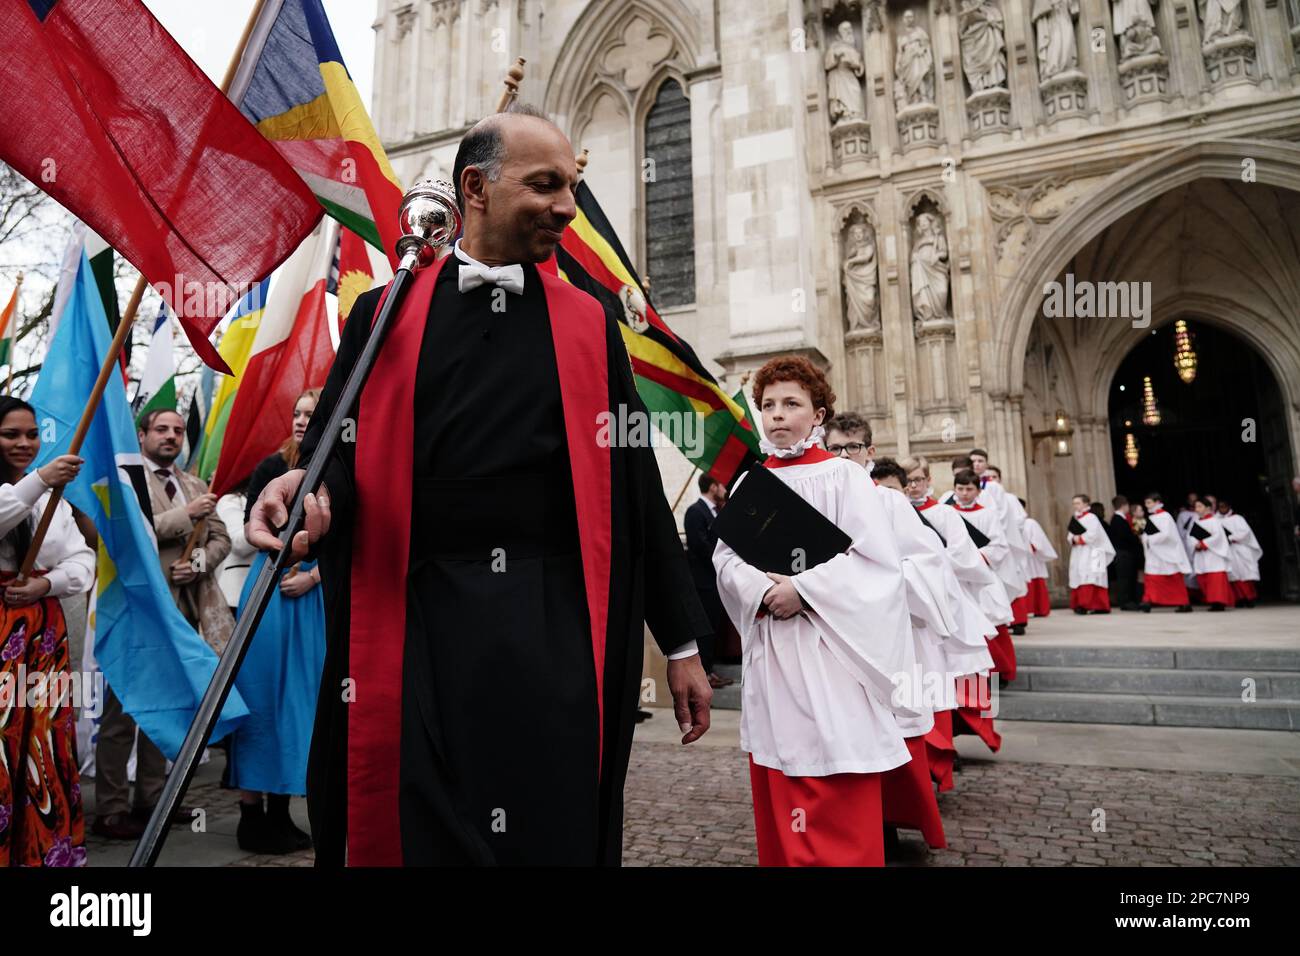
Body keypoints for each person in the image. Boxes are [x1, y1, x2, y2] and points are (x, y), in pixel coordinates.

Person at [247, 106, 713, 866]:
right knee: (419, 828)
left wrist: (684, 642)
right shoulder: (386, 310)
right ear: (476, 187)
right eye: (545, 185)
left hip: (555, 631)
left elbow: (633, 488)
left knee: (543, 833)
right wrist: (313, 492)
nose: (567, 205)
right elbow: (335, 447)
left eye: (571, 186)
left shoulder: (591, 320)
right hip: (416, 621)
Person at [713, 358, 915, 866]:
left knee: (833, 776)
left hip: (831, 651)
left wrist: (804, 590)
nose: (777, 415)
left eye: (791, 404)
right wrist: (758, 591)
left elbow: (876, 563)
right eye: (768, 406)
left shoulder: (845, 478)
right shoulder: (749, 483)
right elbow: (725, 559)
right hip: (775, 651)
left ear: (818, 414)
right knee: (783, 773)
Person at [93, 409, 232, 840]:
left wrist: (197, 562)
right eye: (162, 430)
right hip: (138, 609)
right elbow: (131, 534)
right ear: (143, 434)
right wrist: (186, 515)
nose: (171, 437)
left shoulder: (194, 482)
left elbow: (221, 538)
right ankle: (112, 807)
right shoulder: (127, 481)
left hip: (184, 612)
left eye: (176, 430)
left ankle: (153, 799)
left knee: (166, 707)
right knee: (123, 712)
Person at [825, 418, 955, 853]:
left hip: (886, 640)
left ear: (870, 451)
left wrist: (878, 579)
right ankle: (850, 826)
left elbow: (928, 563)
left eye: (852, 447)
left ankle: (889, 824)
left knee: (890, 733)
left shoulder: (891, 503)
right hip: (835, 642)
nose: (844, 456)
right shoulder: (818, 500)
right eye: (835, 448)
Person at [229, 389, 326, 855]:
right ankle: (251, 817)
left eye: (313, 414)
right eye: (298, 413)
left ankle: (280, 814)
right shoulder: (273, 469)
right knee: (260, 696)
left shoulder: (338, 471)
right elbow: (257, 533)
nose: (303, 421)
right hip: (268, 591)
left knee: (300, 702)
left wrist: (315, 576)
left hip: (311, 596)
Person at [0, 397, 95, 866]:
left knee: (44, 739)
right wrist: (39, 481)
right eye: (11, 434)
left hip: (42, 637)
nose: (24, 443)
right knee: (3, 739)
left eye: (31, 434)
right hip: (1, 636)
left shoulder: (55, 499)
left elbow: (83, 561)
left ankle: (41, 850)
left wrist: (46, 582)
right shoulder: (37, 488)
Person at [902, 456, 1004, 788]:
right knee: (926, 683)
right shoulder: (895, 511)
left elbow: (963, 555)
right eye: (908, 481)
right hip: (913, 607)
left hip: (948, 604)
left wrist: (930, 561)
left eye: (918, 479)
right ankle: (930, 747)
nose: (913, 486)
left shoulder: (943, 513)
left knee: (955, 679)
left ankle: (950, 744)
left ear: (928, 479)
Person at [946, 468, 1018, 682]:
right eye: (960, 489)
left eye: (969, 489)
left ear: (978, 491)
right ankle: (974, 675)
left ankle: (1002, 672)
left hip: (982, 577)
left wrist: (975, 557)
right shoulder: (946, 512)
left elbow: (999, 545)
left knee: (992, 622)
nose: (964, 493)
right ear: (954, 490)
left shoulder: (988, 513)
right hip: (957, 576)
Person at [969, 453, 1031, 634]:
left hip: (994, 538)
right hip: (976, 542)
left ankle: (1013, 620)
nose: (977, 464)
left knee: (1004, 579)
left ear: (987, 464)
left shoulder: (993, 487)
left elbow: (1001, 513)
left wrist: (989, 531)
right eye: (974, 461)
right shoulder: (967, 483)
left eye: (981, 461)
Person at [684, 474, 733, 689]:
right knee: (705, 629)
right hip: (703, 583)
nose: (724, 489)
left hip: (715, 582)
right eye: (722, 484)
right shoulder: (695, 512)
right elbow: (699, 546)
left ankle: (710, 670)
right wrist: (723, 560)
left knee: (714, 628)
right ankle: (704, 673)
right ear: (713, 487)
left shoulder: (717, 512)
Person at [1139, 492, 1193, 612]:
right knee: (1151, 577)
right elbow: (1147, 534)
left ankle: (1183, 603)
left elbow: (1167, 534)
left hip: (1166, 551)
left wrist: (1150, 539)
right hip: (1154, 553)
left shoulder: (1165, 516)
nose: (1147, 505)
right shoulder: (1152, 517)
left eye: (1149, 502)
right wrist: (1145, 538)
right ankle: (1147, 601)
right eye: (1146, 503)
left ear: (1157, 502)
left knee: (1173, 577)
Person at [1067, 493, 1115, 614]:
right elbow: (1070, 535)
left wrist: (1080, 538)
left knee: (1094, 577)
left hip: (1094, 552)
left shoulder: (1091, 517)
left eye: (1078, 503)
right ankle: (1081, 604)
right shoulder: (1076, 518)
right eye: (1074, 503)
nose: (1075, 506)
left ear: (1086, 504)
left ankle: (1096, 605)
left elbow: (1094, 534)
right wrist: (1073, 539)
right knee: (1081, 575)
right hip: (1080, 551)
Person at [1190, 497, 1235, 611]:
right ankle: (1212, 601)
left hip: (1214, 554)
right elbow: (1190, 537)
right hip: (1201, 555)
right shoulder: (1196, 522)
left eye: (1200, 506)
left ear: (1208, 508)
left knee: (1215, 579)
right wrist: (1195, 544)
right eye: (1196, 507)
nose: (1197, 509)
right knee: (1203, 578)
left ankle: (1219, 603)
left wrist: (1204, 543)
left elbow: (1218, 537)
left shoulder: (1214, 521)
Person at [1217, 499, 1261, 607]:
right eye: (1220, 506)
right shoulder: (1216, 519)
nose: (1222, 508)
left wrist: (1231, 537)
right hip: (1228, 550)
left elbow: (1245, 532)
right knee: (1233, 575)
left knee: (1245, 574)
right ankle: (1239, 599)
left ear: (1229, 506)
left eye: (1224, 506)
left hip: (1240, 548)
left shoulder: (1237, 518)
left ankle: (1250, 598)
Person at [1108, 495, 1143, 611]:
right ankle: (1125, 601)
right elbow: (1125, 537)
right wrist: (1136, 538)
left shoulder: (1120, 519)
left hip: (1125, 553)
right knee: (1124, 578)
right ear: (1124, 506)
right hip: (1123, 554)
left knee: (1128, 577)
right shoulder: (1118, 520)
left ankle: (1129, 600)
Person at [1021, 506, 1058, 617]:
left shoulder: (1030, 523)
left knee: (1034, 581)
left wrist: (1026, 548)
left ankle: (1038, 609)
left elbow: (1038, 541)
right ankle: (1025, 610)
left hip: (1031, 559)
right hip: (1019, 559)